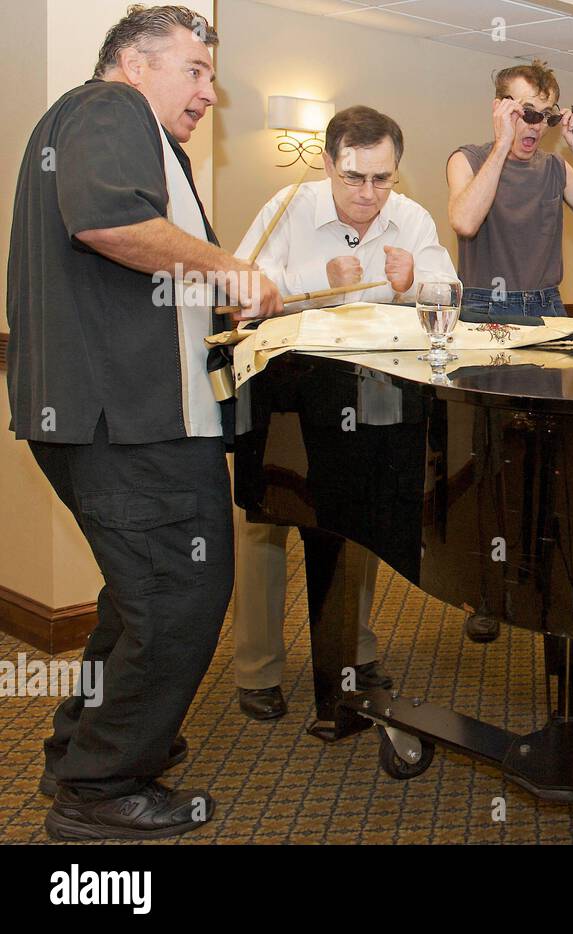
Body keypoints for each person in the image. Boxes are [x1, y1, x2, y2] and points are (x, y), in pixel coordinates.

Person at [6, 4, 283, 840]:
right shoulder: (109, 107)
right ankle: (98, 792)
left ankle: (80, 751)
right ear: (133, 63)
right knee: (179, 599)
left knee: (137, 603)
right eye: (194, 71)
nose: (210, 91)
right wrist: (232, 270)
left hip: (110, 415)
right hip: (127, 421)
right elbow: (106, 222)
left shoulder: (128, 132)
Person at [230, 105, 457, 720]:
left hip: (368, 397)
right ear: (328, 163)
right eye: (354, 178)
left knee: (357, 520)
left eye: (383, 179)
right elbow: (239, 288)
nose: (368, 194)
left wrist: (416, 281)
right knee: (267, 525)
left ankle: (353, 651)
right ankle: (258, 668)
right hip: (285, 395)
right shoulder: (288, 205)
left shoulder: (410, 217)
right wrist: (313, 276)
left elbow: (450, 294)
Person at [447, 59, 573, 319]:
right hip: (485, 303)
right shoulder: (467, 160)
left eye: (546, 116)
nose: (536, 125)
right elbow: (464, 222)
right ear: (500, 109)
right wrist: (502, 144)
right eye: (528, 113)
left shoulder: (555, 167)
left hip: (545, 304)